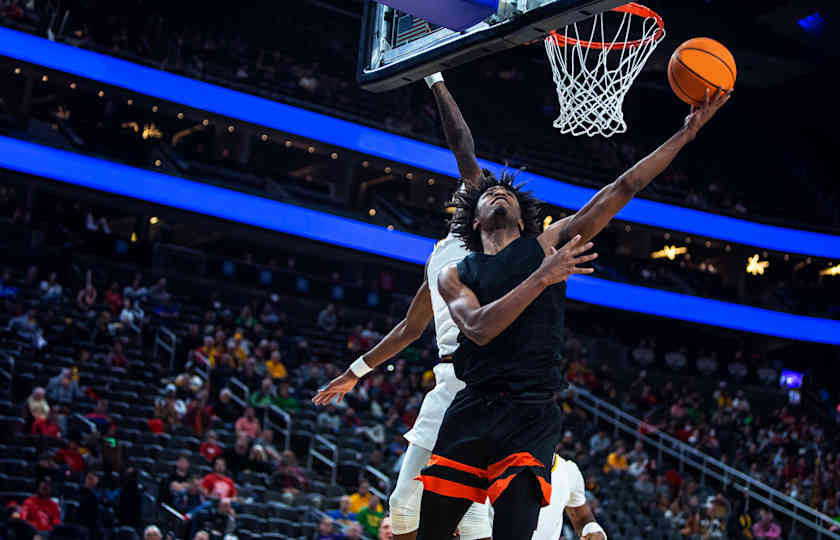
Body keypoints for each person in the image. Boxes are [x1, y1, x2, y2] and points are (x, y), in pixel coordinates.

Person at [415, 85, 729, 540]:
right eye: (490, 194)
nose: (499, 193)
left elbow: (623, 187)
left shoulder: (548, 244)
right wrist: (542, 278)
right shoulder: (456, 273)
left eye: (509, 193)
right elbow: (481, 329)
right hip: (472, 407)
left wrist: (686, 134)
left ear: (524, 220)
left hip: (531, 412)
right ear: (475, 219)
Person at [314, 72, 492, 540]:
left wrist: (435, 80)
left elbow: (461, 147)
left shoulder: (492, 240)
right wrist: (355, 371)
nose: (464, 193)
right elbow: (410, 329)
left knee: (464, 514)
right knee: (407, 510)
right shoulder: (439, 256)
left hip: (484, 379)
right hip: (448, 382)